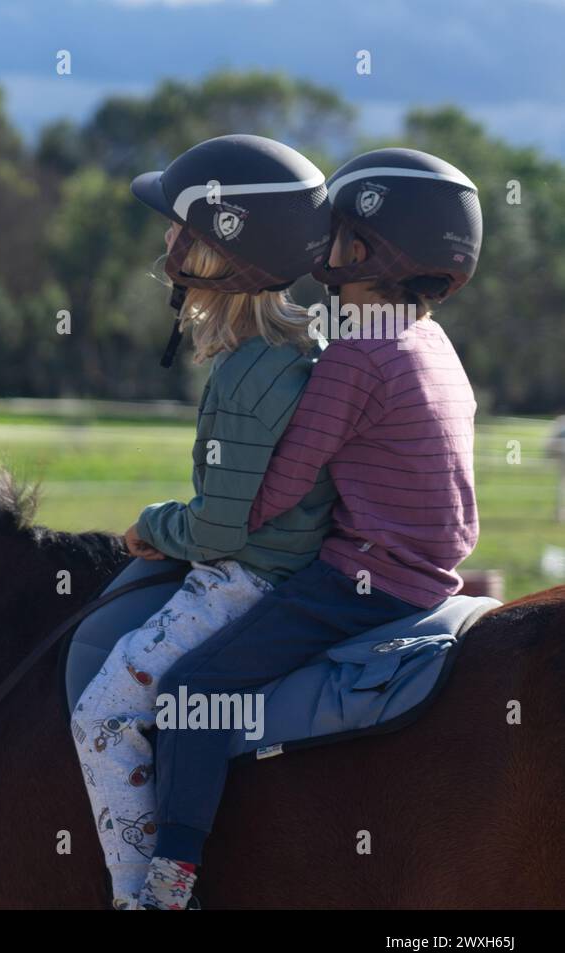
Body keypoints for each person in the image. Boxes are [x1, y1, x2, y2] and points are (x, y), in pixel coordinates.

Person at [143, 148, 482, 910]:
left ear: (360, 250)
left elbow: (272, 496)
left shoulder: (354, 354)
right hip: (436, 576)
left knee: (190, 692)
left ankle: (169, 880)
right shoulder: (430, 342)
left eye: (335, 234)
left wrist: (178, 526)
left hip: (361, 585)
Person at [70, 135, 337, 909]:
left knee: (103, 715)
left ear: (215, 255)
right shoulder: (284, 350)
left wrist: (154, 522)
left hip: (243, 582)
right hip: (275, 566)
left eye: (177, 228)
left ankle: (140, 897)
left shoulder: (248, 372)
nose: (165, 242)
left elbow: (219, 532)